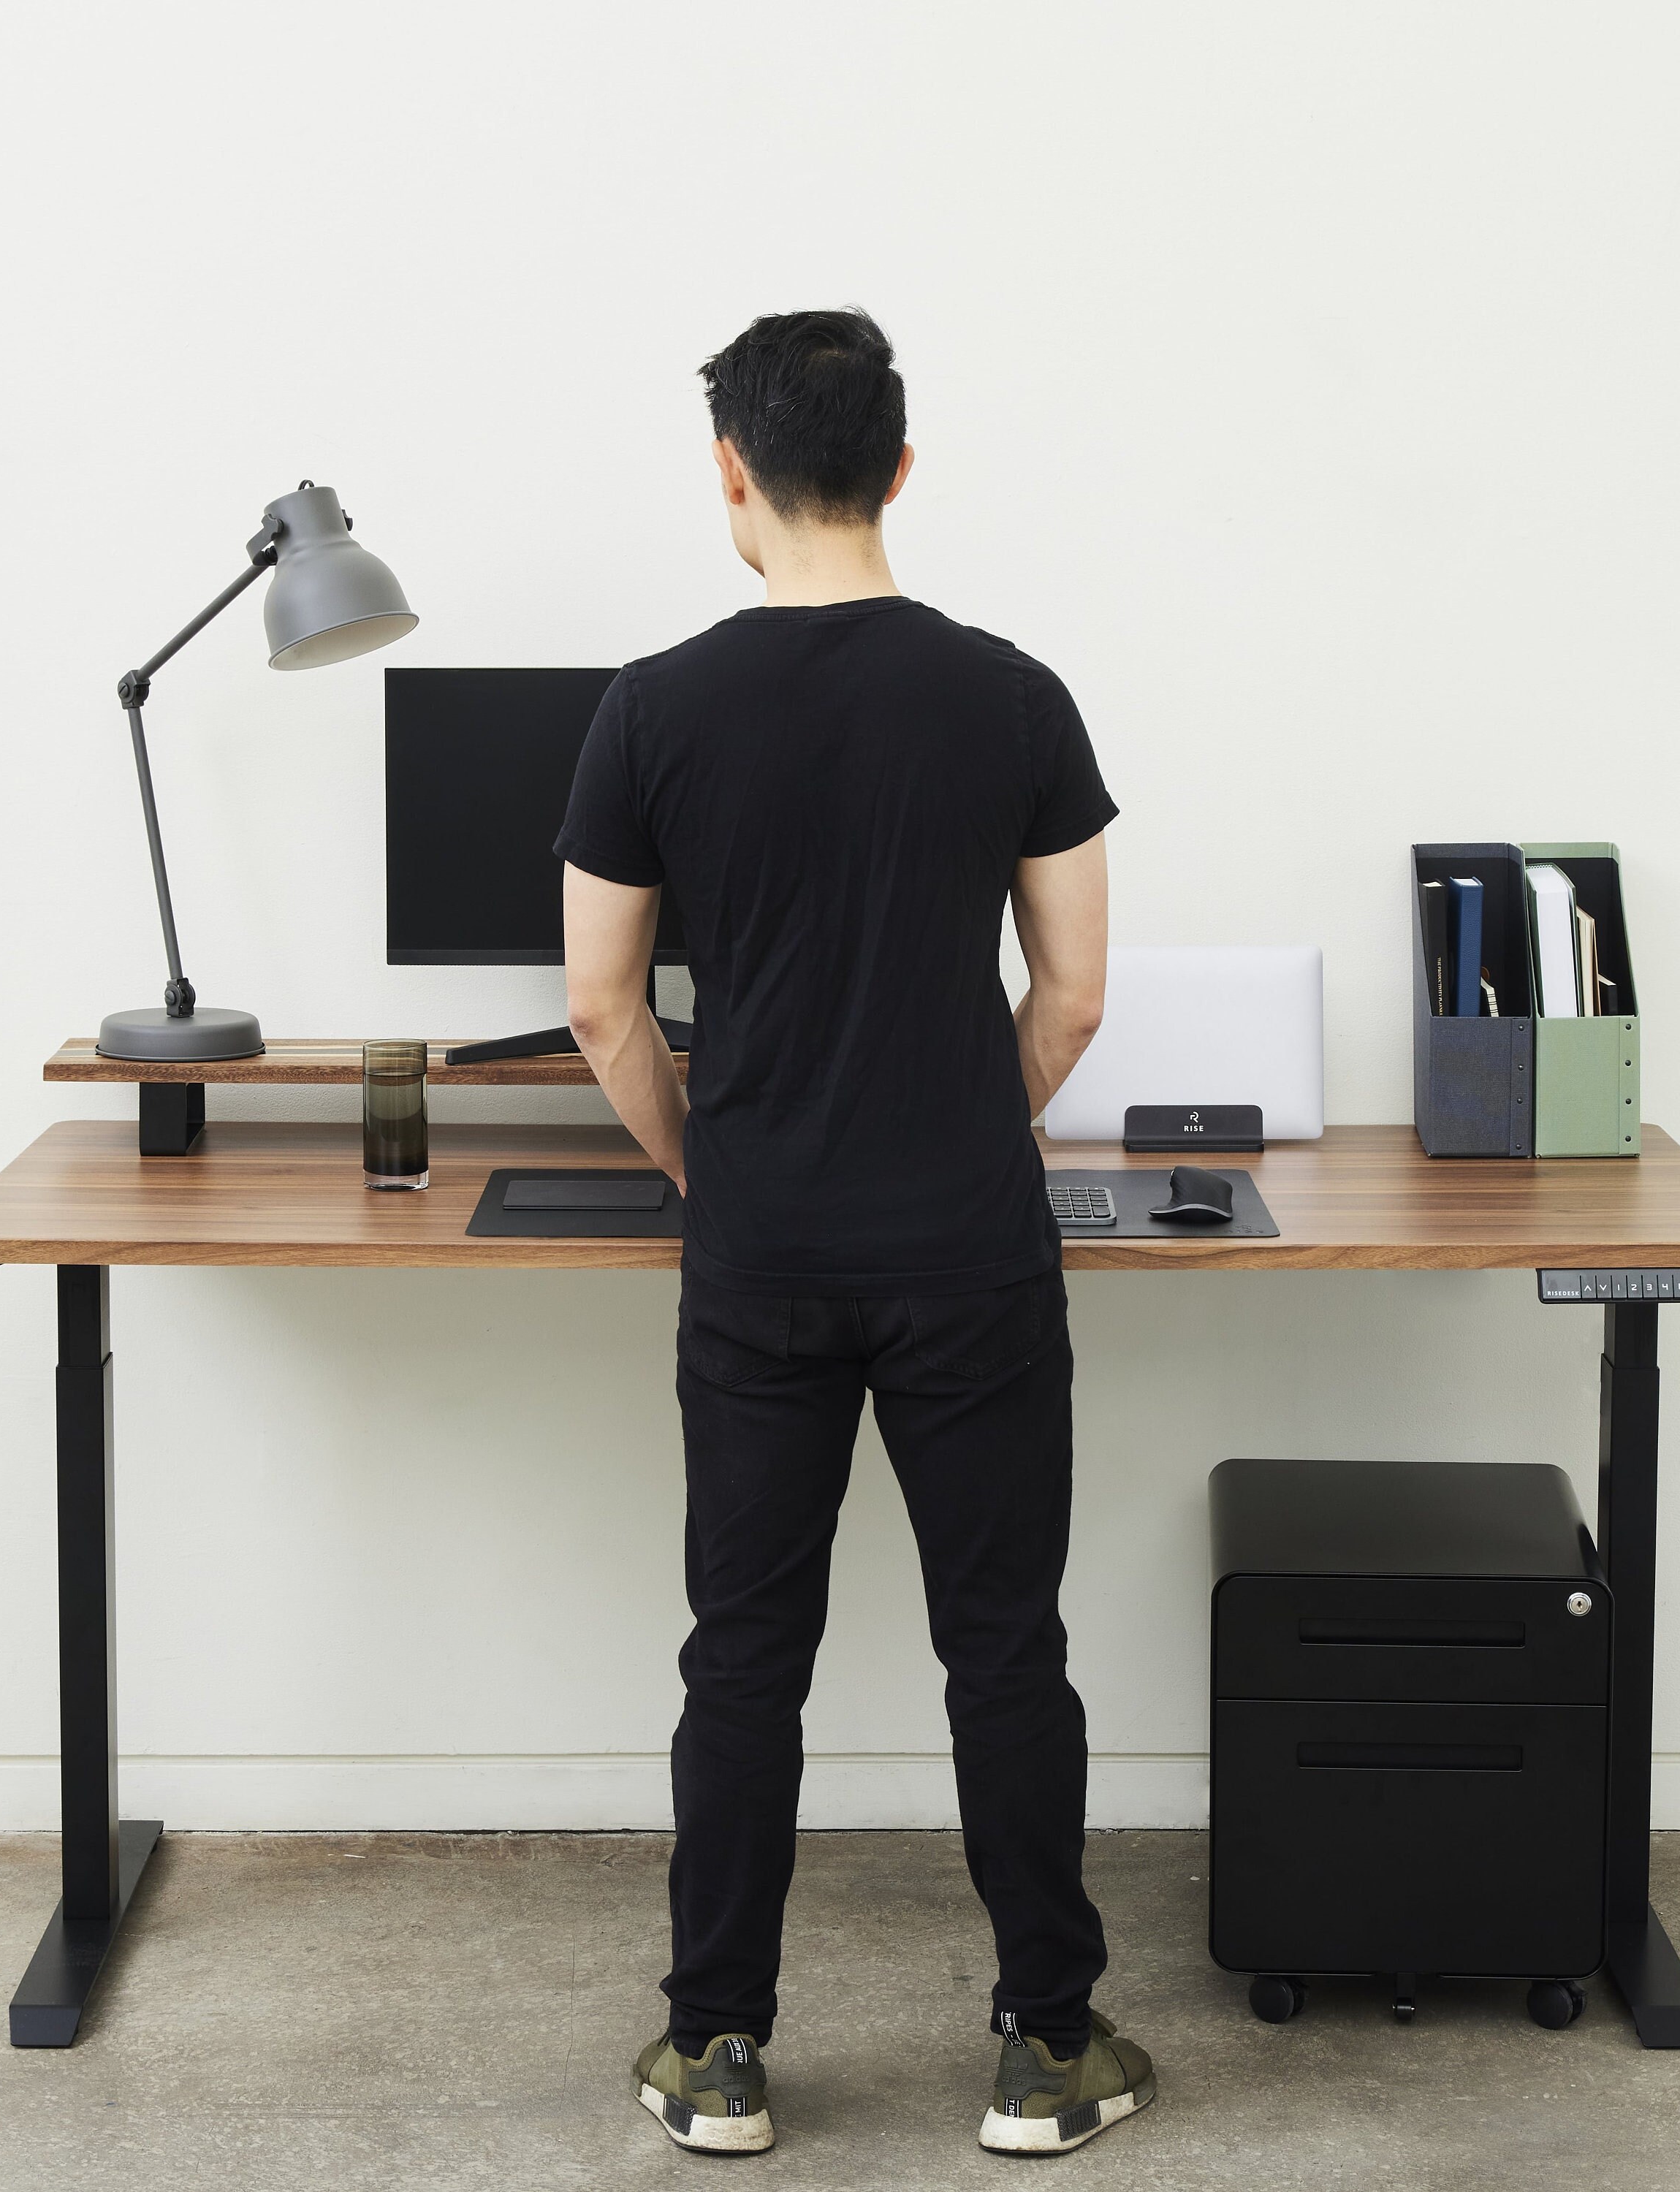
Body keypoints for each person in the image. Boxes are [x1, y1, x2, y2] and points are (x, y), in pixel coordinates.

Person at [556, 308, 1150, 2158]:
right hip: (968, 1251)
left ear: (731, 470)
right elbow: (1070, 997)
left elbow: (600, 1008)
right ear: (900, 467)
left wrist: (707, 1163)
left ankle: (715, 2052)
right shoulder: (1015, 695)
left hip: (764, 1260)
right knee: (1006, 1648)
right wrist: (966, 1132)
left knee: (743, 1652)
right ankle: (1048, 2047)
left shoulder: (650, 706)